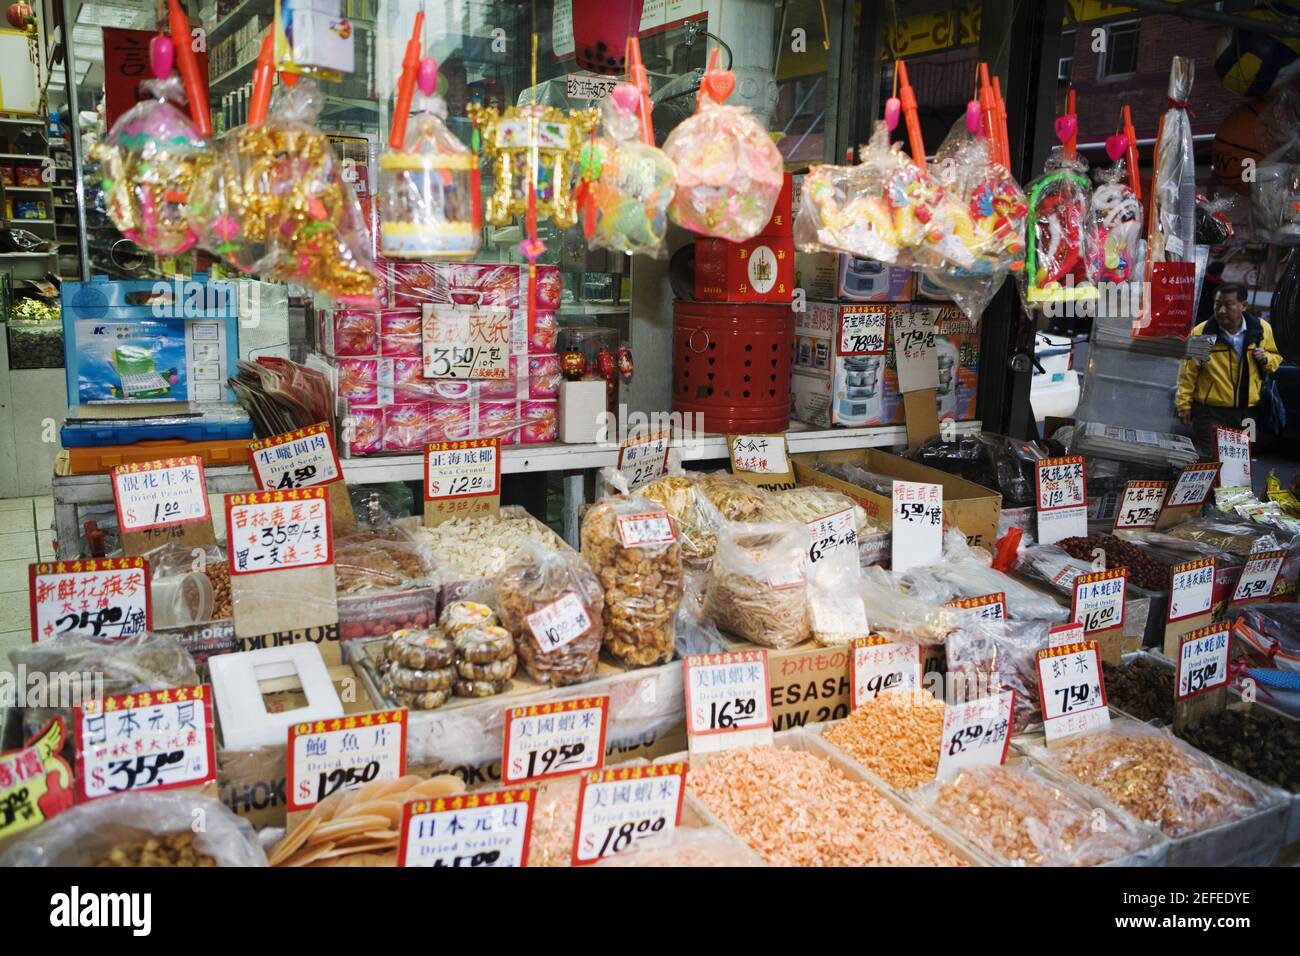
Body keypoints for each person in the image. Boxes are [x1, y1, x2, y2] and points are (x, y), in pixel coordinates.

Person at [1176, 282, 1283, 458]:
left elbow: (1276, 356)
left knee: (1241, 462)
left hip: (1249, 413)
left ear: (1243, 305)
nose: (1221, 310)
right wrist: (1183, 405)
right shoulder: (1203, 332)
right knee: (1213, 461)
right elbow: (1188, 372)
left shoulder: (1261, 329)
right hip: (1210, 412)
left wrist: (1266, 359)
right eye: (1218, 304)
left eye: (1228, 304)